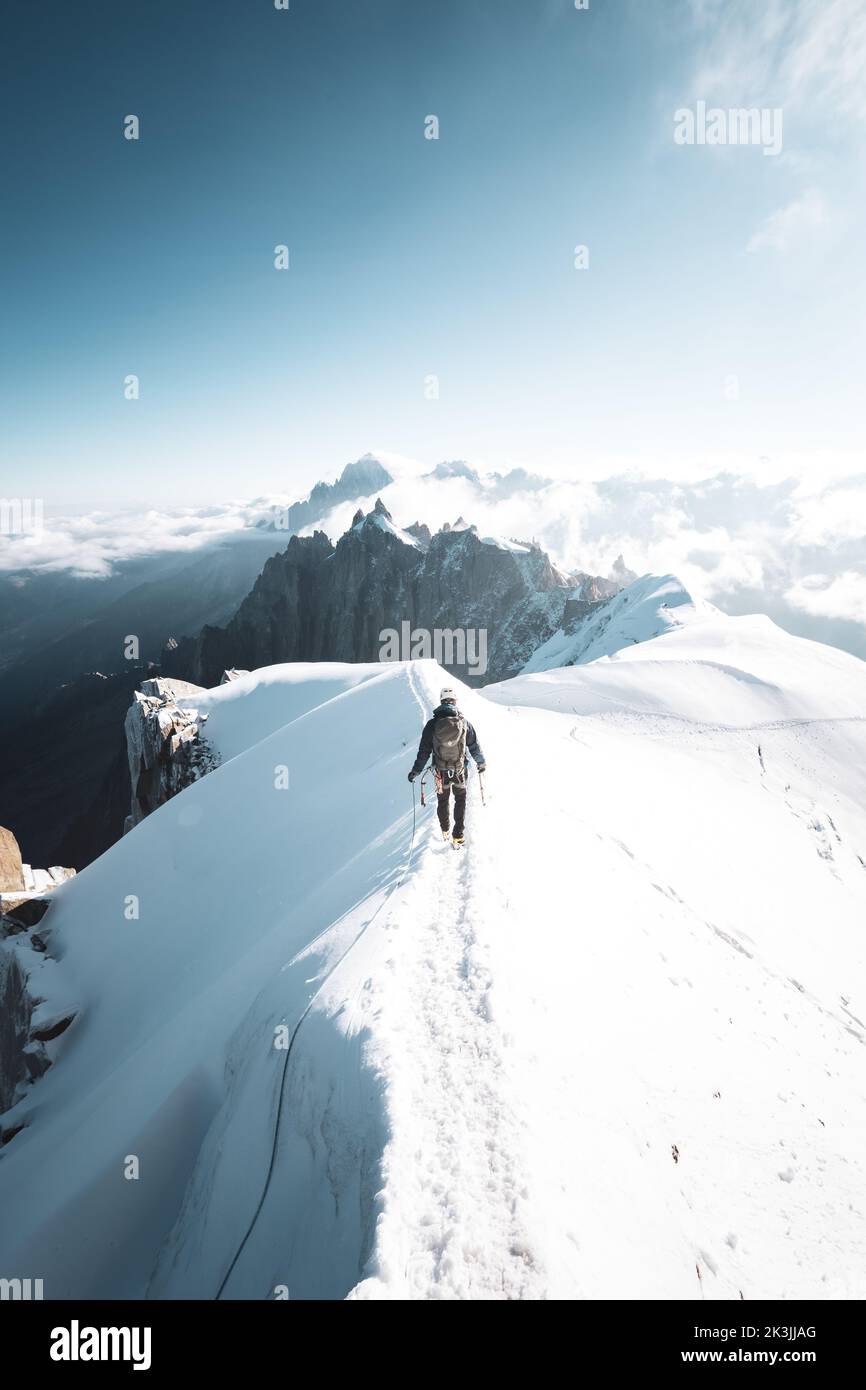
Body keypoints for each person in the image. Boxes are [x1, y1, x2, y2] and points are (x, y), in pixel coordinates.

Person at [408, 686, 486, 845]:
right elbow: (474, 746)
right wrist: (481, 762)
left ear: (441, 701)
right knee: (460, 800)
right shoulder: (464, 723)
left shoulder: (432, 724)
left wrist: (416, 771)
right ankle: (458, 835)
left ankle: (445, 831)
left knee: (442, 801)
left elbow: (424, 751)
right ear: (455, 701)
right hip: (459, 770)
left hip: (440, 772)